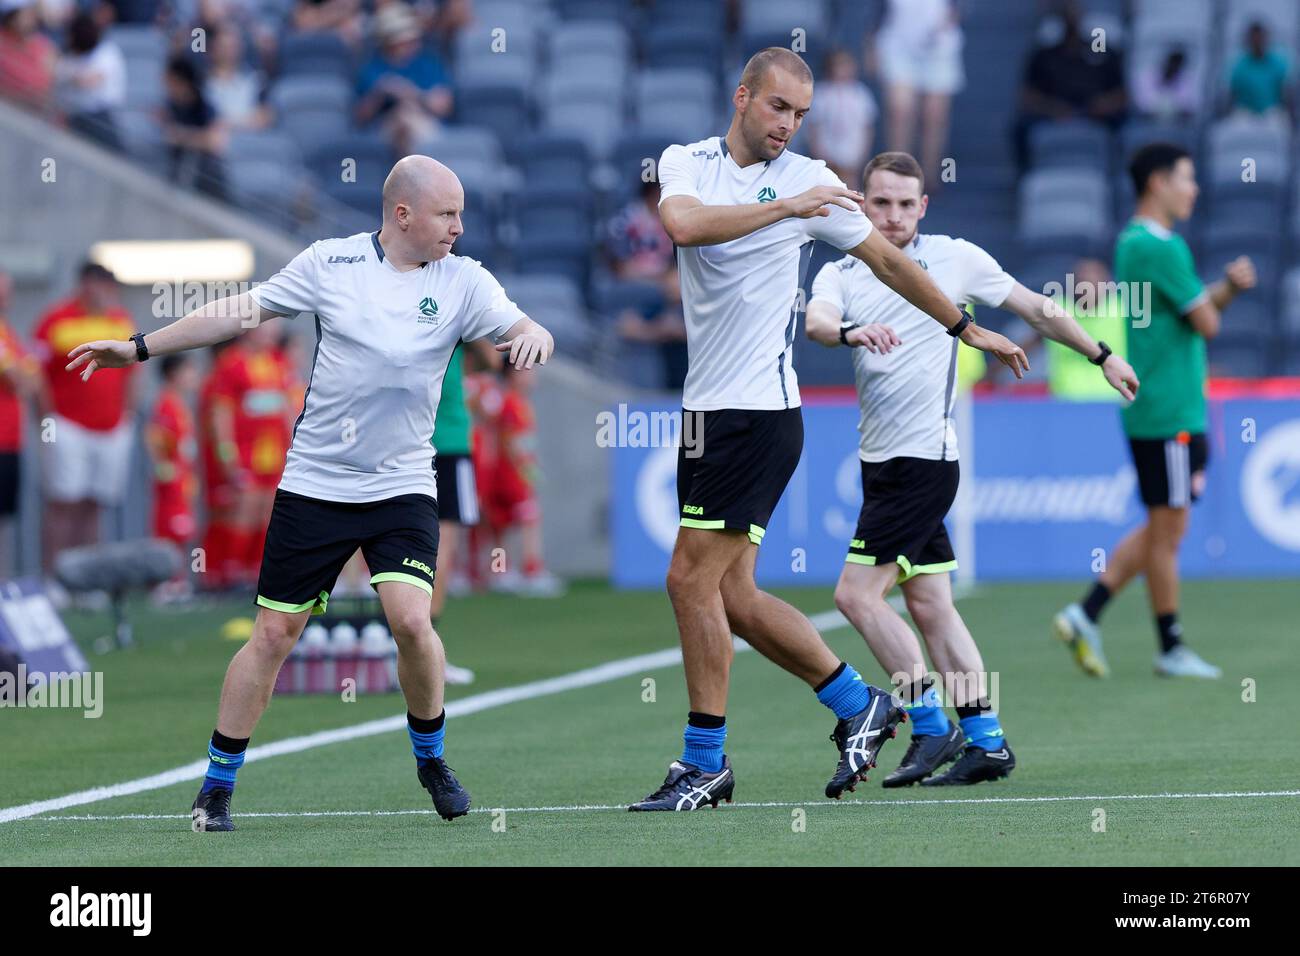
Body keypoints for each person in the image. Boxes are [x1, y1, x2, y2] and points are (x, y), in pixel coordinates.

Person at [65, 155, 554, 830]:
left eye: (461, 213)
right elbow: (240, 310)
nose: (459, 227)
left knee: (412, 621)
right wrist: (140, 346)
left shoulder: (464, 281)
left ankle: (432, 758)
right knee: (274, 632)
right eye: (448, 214)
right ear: (402, 214)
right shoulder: (331, 263)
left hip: (403, 484)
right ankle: (216, 786)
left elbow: (524, 325)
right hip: (316, 483)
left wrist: (534, 338)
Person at [628, 47, 1029, 812]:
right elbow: (681, 226)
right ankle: (858, 704)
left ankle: (705, 760)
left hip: (758, 415)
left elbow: (888, 261)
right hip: (703, 412)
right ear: (743, 96)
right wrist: (785, 209)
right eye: (779, 107)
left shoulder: (814, 180)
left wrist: (961, 324)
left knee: (688, 580)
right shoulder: (690, 162)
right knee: (735, 598)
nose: (790, 125)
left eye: (802, 115)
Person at [805, 151, 1138, 786]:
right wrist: (850, 332)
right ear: (861, 204)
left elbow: (1039, 309)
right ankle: (987, 741)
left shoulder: (955, 257)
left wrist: (1103, 355)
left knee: (855, 596)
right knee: (930, 605)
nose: (895, 215)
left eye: (907, 204)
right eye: (881, 203)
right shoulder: (845, 268)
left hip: (922, 462)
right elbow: (817, 323)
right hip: (883, 463)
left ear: (923, 206)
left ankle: (929, 726)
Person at [1055, 143, 1256, 679]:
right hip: (1168, 412)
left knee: (1165, 525)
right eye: (1186, 178)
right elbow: (1207, 324)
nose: (1193, 189)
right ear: (1157, 183)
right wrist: (1228, 294)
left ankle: (1087, 612)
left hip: (1169, 409)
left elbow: (1188, 312)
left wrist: (1223, 290)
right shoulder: (1161, 248)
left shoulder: (1135, 244)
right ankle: (1168, 645)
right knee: (1168, 531)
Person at [32, 261, 137, 577]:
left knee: (95, 502)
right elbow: (35, 370)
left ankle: (87, 579)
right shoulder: (55, 319)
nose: (105, 292)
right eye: (99, 284)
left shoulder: (120, 320)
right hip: (67, 425)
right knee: (64, 502)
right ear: (84, 284)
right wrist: (47, 416)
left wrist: (127, 414)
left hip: (112, 427)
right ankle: (55, 577)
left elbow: (133, 373)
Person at [1012, 2, 1126, 169]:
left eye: (1076, 18)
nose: (1072, 23)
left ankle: (1115, 172)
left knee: (1125, 127)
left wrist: (1102, 106)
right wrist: (1053, 109)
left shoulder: (1103, 53)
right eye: (1068, 18)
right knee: (1021, 128)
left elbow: (1122, 94)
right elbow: (1027, 96)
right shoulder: (1044, 55)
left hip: (1096, 113)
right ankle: (1025, 172)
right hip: (1053, 113)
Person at [875, 0, 961, 186]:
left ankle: (929, 174)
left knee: (934, 115)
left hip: (939, 43)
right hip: (898, 41)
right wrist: (871, 43)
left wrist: (947, 23)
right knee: (900, 111)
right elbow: (879, 10)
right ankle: (898, 173)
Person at [354, 4, 452, 156]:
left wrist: (410, 92)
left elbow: (442, 106)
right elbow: (361, 116)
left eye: (410, 39)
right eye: (399, 40)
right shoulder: (373, 68)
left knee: (408, 119)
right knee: (401, 120)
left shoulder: (429, 64)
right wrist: (380, 93)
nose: (407, 45)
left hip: (426, 126)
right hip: (385, 130)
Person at [146, 353, 200, 598]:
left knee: (181, 528)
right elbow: (153, 436)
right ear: (173, 374)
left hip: (183, 477)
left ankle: (176, 579)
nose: (193, 376)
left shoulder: (180, 404)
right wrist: (163, 465)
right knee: (169, 528)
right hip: (172, 478)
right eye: (188, 371)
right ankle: (164, 581)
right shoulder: (166, 403)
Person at [0, 271, 38, 580]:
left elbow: (30, 381)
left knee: (5, 517)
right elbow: (19, 378)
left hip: (10, 440)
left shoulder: (8, 332)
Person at [806, 48, 877, 187]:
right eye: (839, 65)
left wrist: (863, 152)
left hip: (852, 146)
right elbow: (814, 125)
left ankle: (852, 207)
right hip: (828, 146)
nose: (843, 70)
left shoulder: (861, 93)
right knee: (828, 182)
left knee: (850, 183)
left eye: (847, 65)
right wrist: (818, 151)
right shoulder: (821, 93)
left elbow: (867, 126)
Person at [161, 55, 226, 199]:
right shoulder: (169, 105)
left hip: (205, 176)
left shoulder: (204, 107)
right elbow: (165, 133)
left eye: (171, 81)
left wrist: (182, 136)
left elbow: (215, 142)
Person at [1227, 21, 1291, 119]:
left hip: (1272, 114)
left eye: (1260, 38)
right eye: (1254, 38)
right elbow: (1232, 94)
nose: (1257, 42)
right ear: (1248, 40)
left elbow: (1285, 93)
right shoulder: (1239, 66)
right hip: (1244, 115)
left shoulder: (1279, 64)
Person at [0, 0, 56, 110]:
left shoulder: (46, 48)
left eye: (32, 15)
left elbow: (46, 87)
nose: (29, 19)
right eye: (25, 14)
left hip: (27, 110)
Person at [1132, 48, 1200, 124]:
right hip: (1148, 122)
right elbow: (1143, 105)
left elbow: (1188, 106)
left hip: (1177, 123)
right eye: (1171, 63)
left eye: (1176, 66)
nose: (1173, 67)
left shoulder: (1186, 78)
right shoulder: (1148, 75)